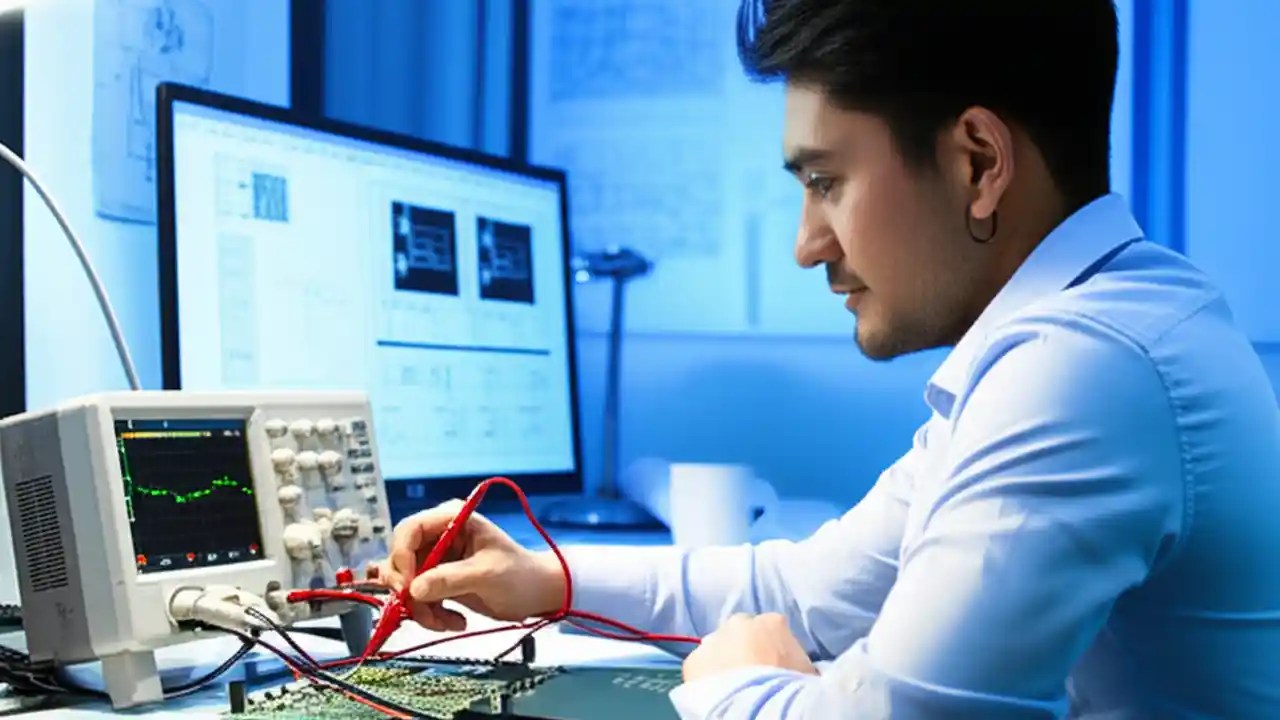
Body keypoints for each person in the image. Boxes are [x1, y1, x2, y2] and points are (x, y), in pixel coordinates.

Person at [378, 1, 1280, 717]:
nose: (809, 243)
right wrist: (547, 579)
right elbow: (807, 587)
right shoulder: (1091, 330)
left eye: (825, 182)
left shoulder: (1083, 372)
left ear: (978, 163)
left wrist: (737, 682)